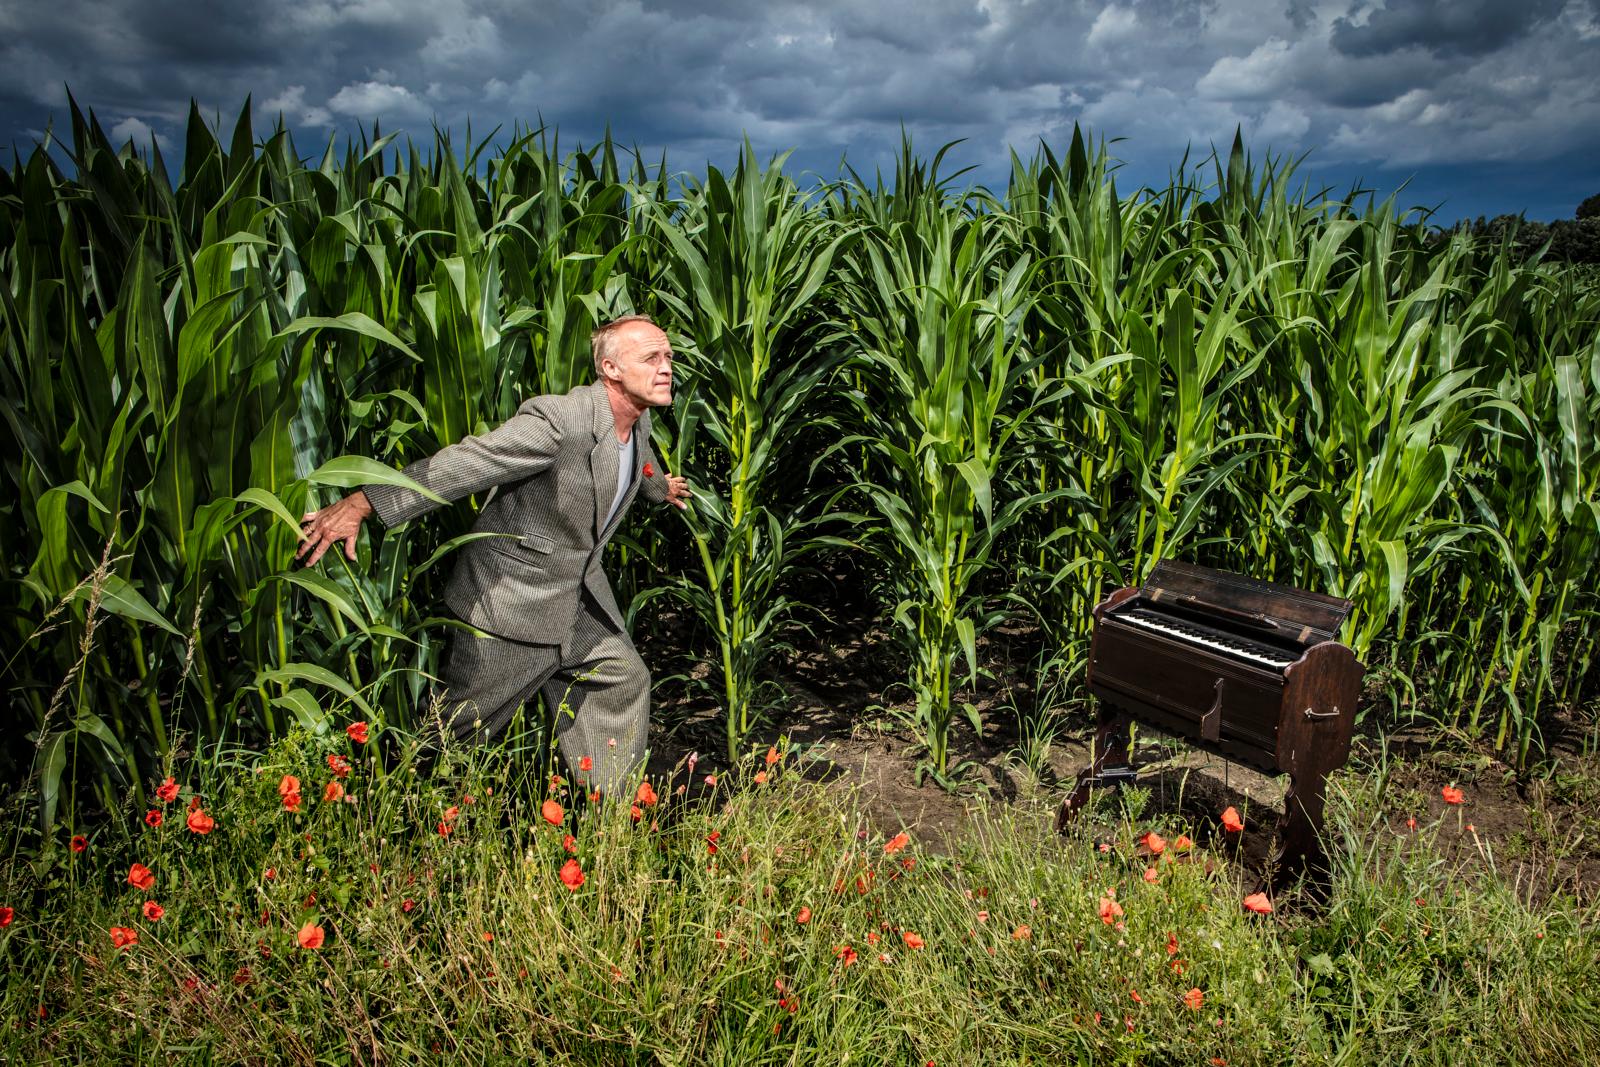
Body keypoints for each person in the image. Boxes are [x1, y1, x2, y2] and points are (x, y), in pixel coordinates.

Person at [296, 315, 690, 795]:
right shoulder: (559, 422)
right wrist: (366, 502)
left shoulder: (637, 416)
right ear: (610, 368)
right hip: (512, 603)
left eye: (668, 357)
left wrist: (659, 487)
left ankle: (609, 821)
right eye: (651, 357)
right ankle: (406, 814)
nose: (666, 367)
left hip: (576, 595)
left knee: (623, 679)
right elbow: (468, 462)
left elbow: (636, 463)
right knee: (455, 733)